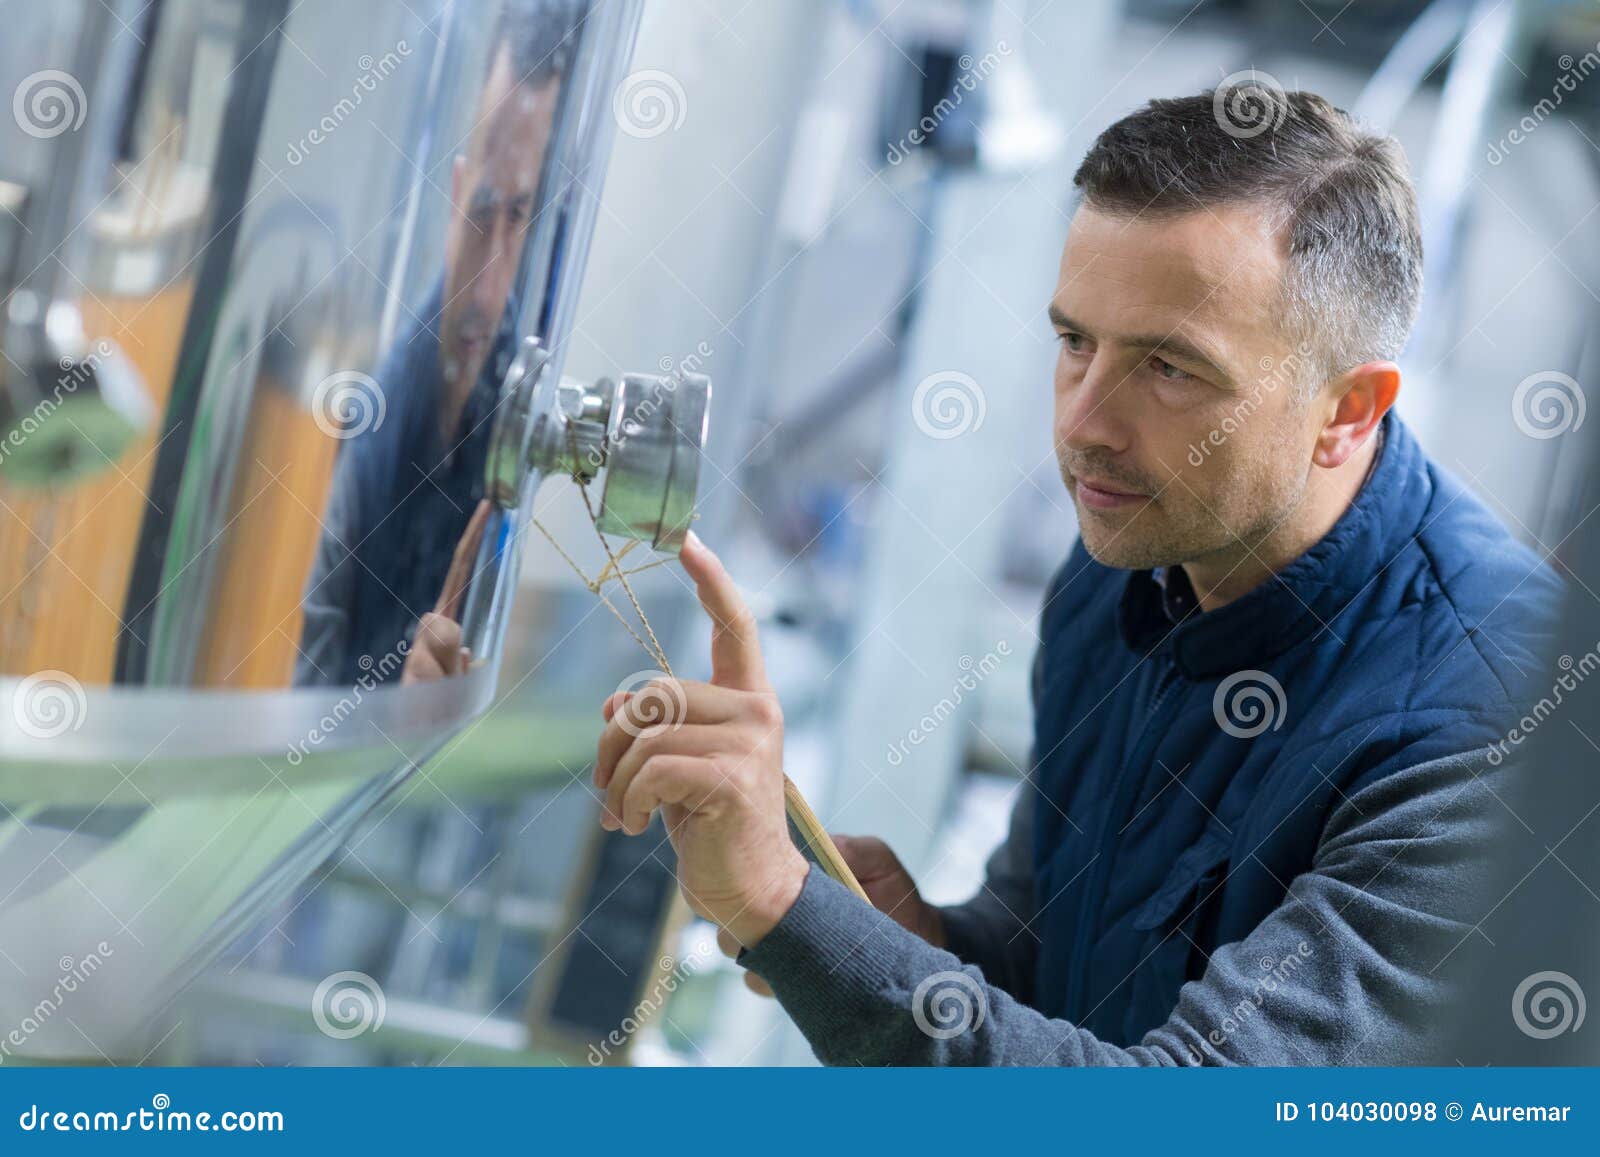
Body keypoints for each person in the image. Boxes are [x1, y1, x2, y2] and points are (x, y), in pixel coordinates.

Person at [590, 86, 1565, 1065]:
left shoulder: (1492, 725)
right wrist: (912, 941)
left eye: (1170, 368)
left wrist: (779, 900)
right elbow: (1045, 943)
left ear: (1348, 408)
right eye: (1073, 342)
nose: (1083, 424)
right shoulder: (1128, 562)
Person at [296, 1, 575, 686]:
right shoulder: (380, 404)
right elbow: (307, 679)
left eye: (521, 216)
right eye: (483, 212)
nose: (486, 288)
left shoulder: (533, 427)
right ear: (454, 195)